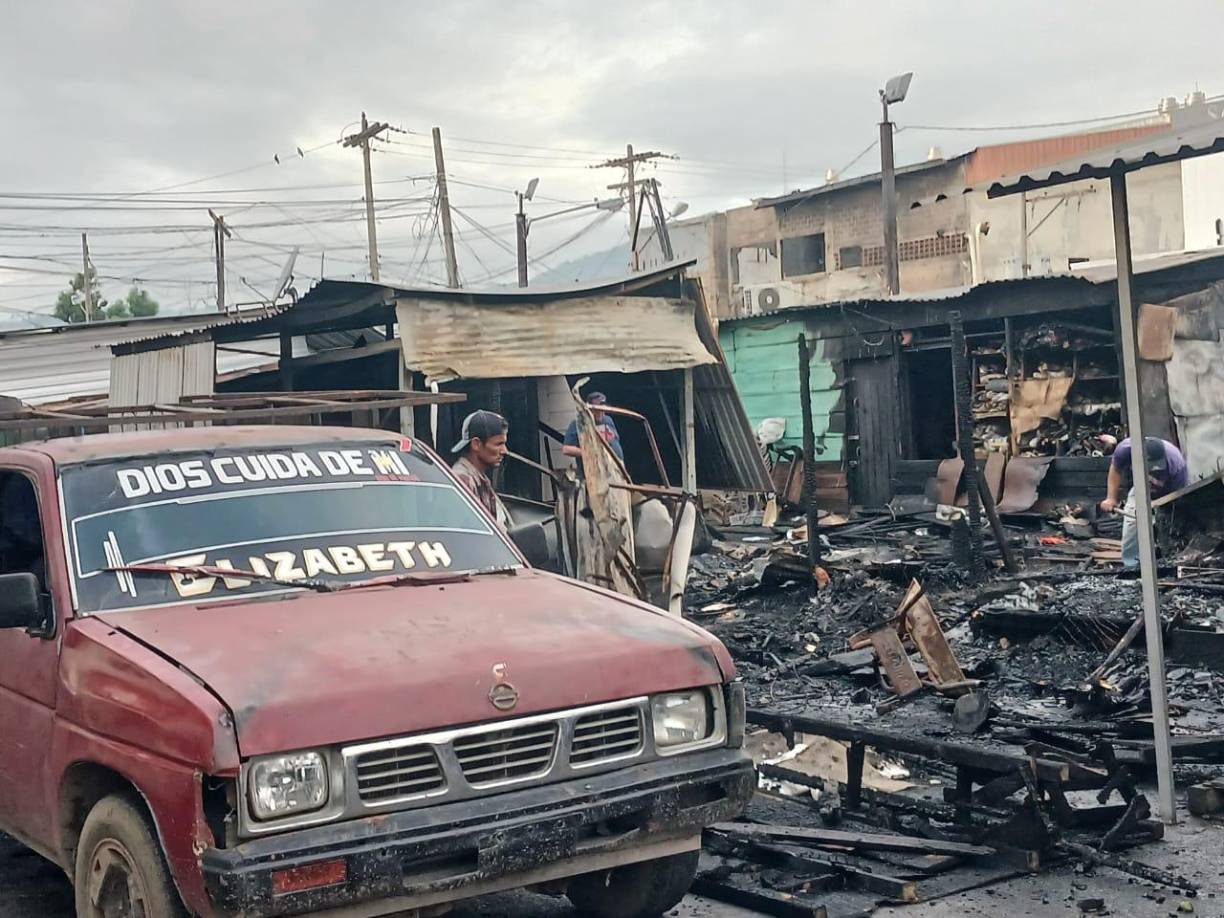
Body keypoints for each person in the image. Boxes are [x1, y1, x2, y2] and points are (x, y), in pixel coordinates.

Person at [1099, 436, 1188, 570]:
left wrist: (1163, 510)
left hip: (1169, 489)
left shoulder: (1175, 462)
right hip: (1141, 487)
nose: (1154, 470)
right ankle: (1131, 565)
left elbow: (1178, 495)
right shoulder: (1125, 450)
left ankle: (1169, 560)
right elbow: (1116, 469)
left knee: (1169, 525)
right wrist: (1111, 498)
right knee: (1132, 522)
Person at [450, 409, 512, 530]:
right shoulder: (463, 481)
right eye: (498, 444)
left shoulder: (479, 478)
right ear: (476, 444)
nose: (505, 451)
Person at [563, 392, 623, 477]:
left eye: (603, 410)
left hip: (616, 470)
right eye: (597, 410)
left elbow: (615, 442)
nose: (601, 413)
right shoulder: (580, 423)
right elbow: (566, 449)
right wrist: (589, 453)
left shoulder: (608, 420)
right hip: (594, 475)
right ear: (590, 409)